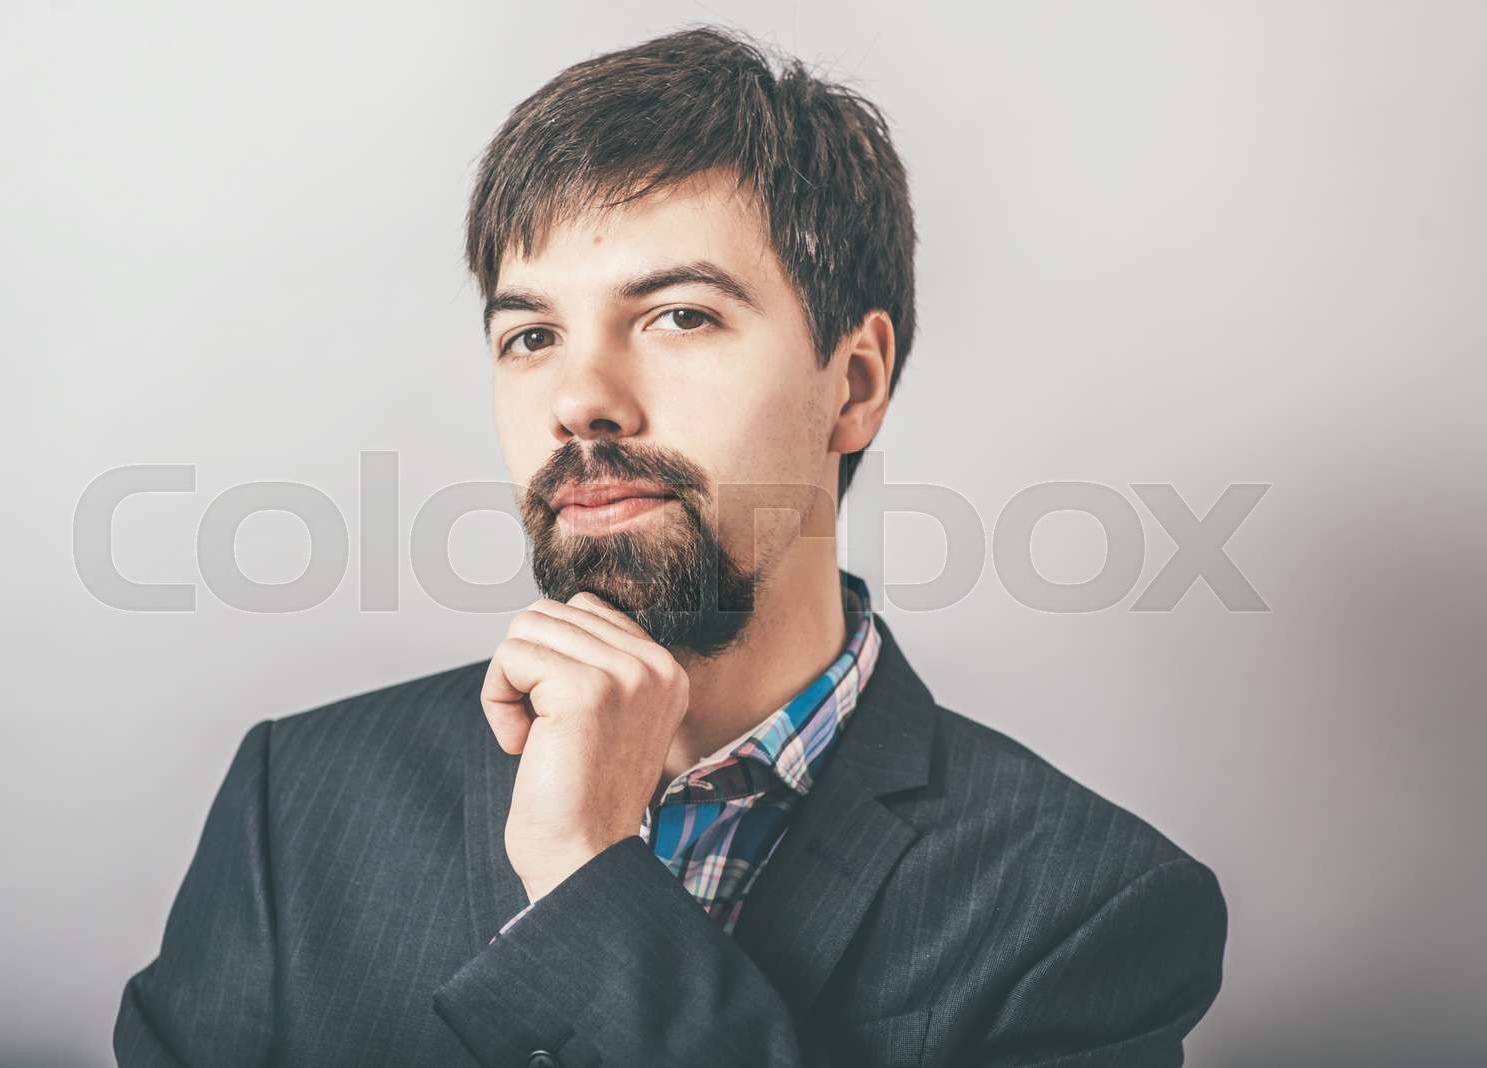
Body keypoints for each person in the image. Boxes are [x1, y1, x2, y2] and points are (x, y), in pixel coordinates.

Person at [114, 24, 1225, 1067]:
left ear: (854, 382)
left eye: (678, 316)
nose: (579, 401)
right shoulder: (296, 799)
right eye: (531, 335)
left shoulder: (1083, 909)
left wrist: (589, 875)